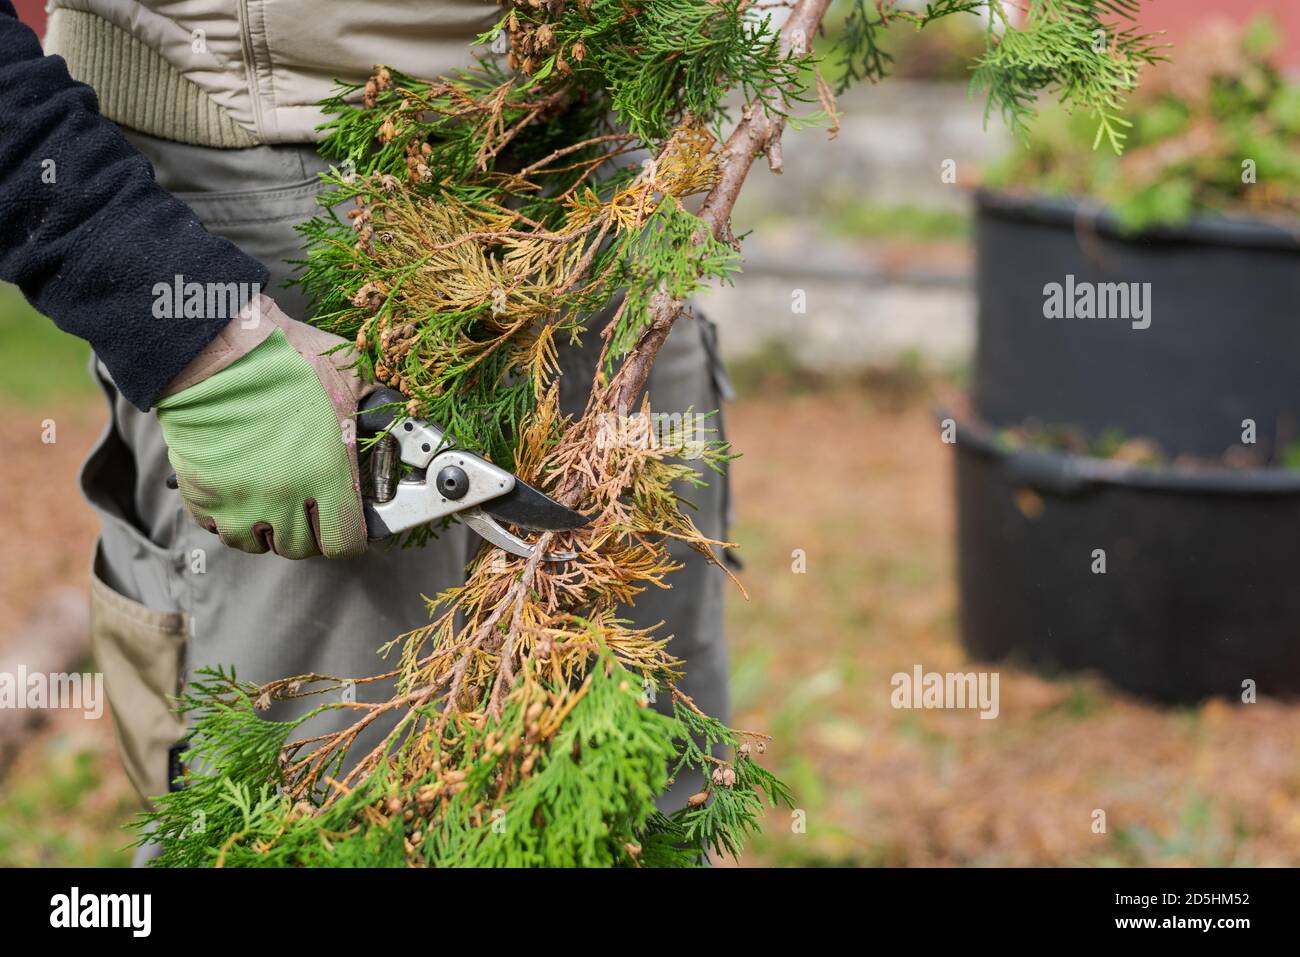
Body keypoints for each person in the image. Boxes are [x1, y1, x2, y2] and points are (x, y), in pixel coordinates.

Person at [0, 0, 732, 847]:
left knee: (638, 791)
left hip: (602, 179)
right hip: (265, 208)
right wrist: (186, 329)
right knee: (315, 826)